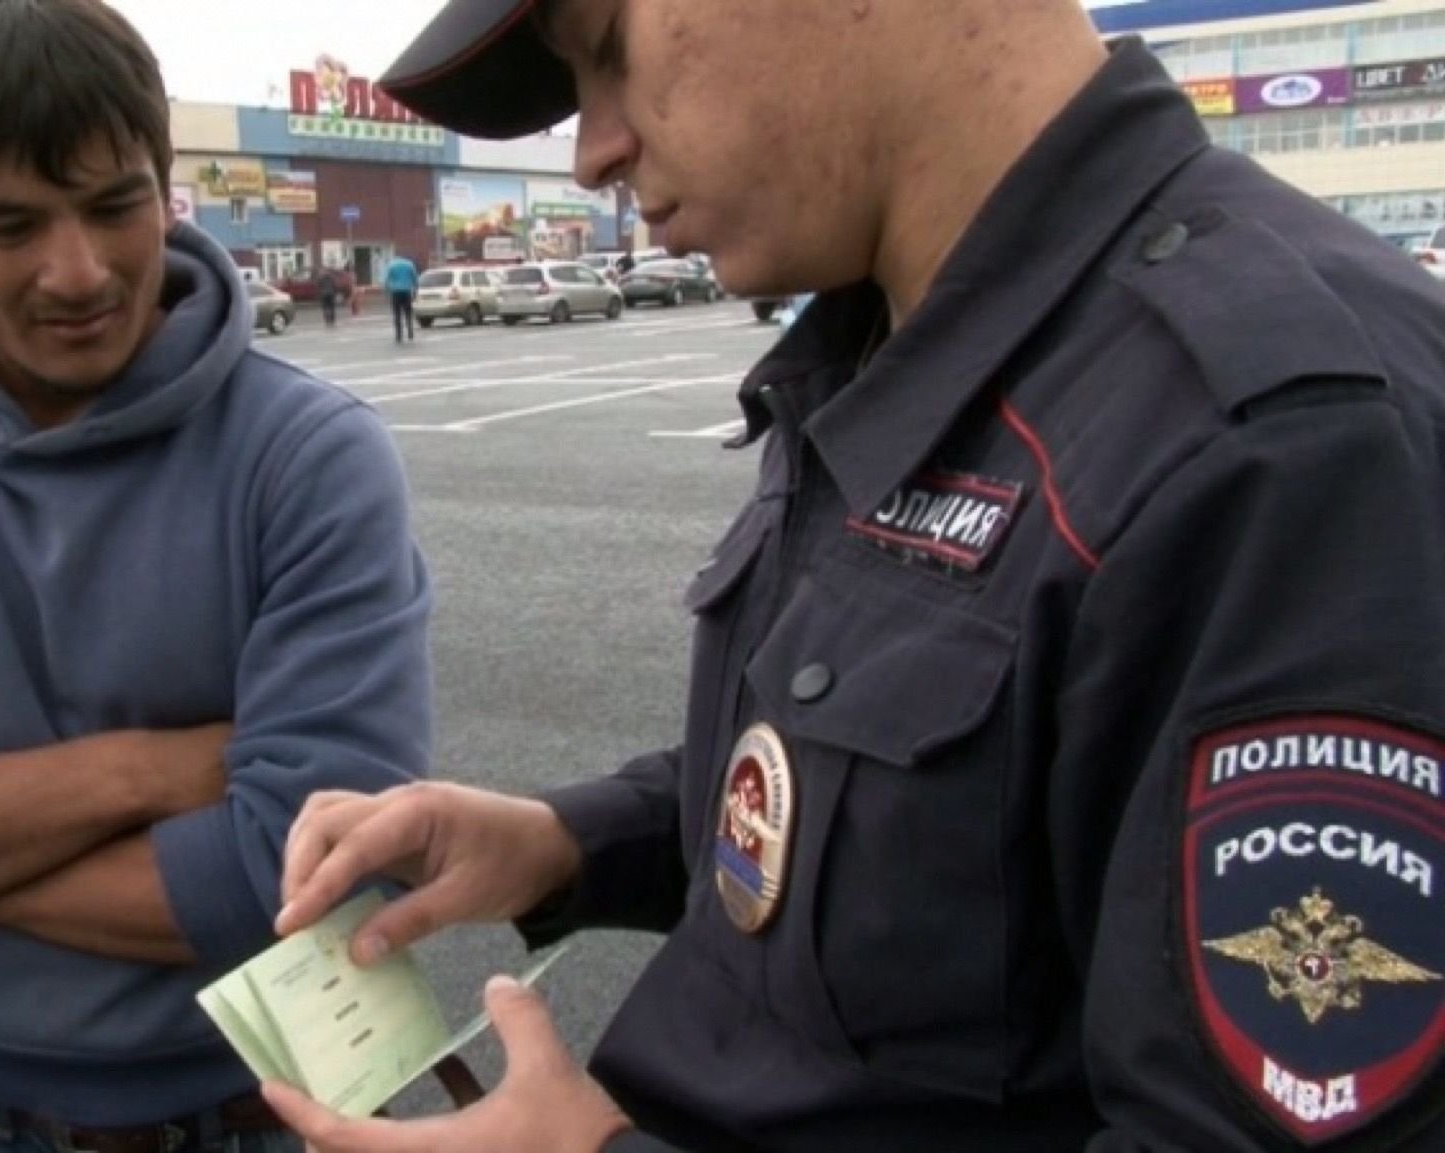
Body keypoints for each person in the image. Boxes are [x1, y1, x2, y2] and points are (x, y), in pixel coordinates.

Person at [262, 1, 1445, 1151]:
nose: (592, 152)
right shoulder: (890, 330)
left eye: (606, 53)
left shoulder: (1281, 439)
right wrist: (563, 842)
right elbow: (889, 818)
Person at [0, 2, 434, 1151]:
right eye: (10, 224)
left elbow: (295, 872)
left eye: (115, 205)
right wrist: (147, 771)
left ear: (165, 185)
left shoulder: (304, 454)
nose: (79, 270)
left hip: (266, 1111)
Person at [384, 251, 420, 343]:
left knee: (397, 314)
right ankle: (410, 332)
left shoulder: (391, 265)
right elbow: (414, 277)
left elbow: (387, 279)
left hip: (395, 292)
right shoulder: (409, 264)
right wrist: (416, 289)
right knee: (408, 312)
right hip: (406, 291)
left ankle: (398, 335)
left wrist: (386, 291)